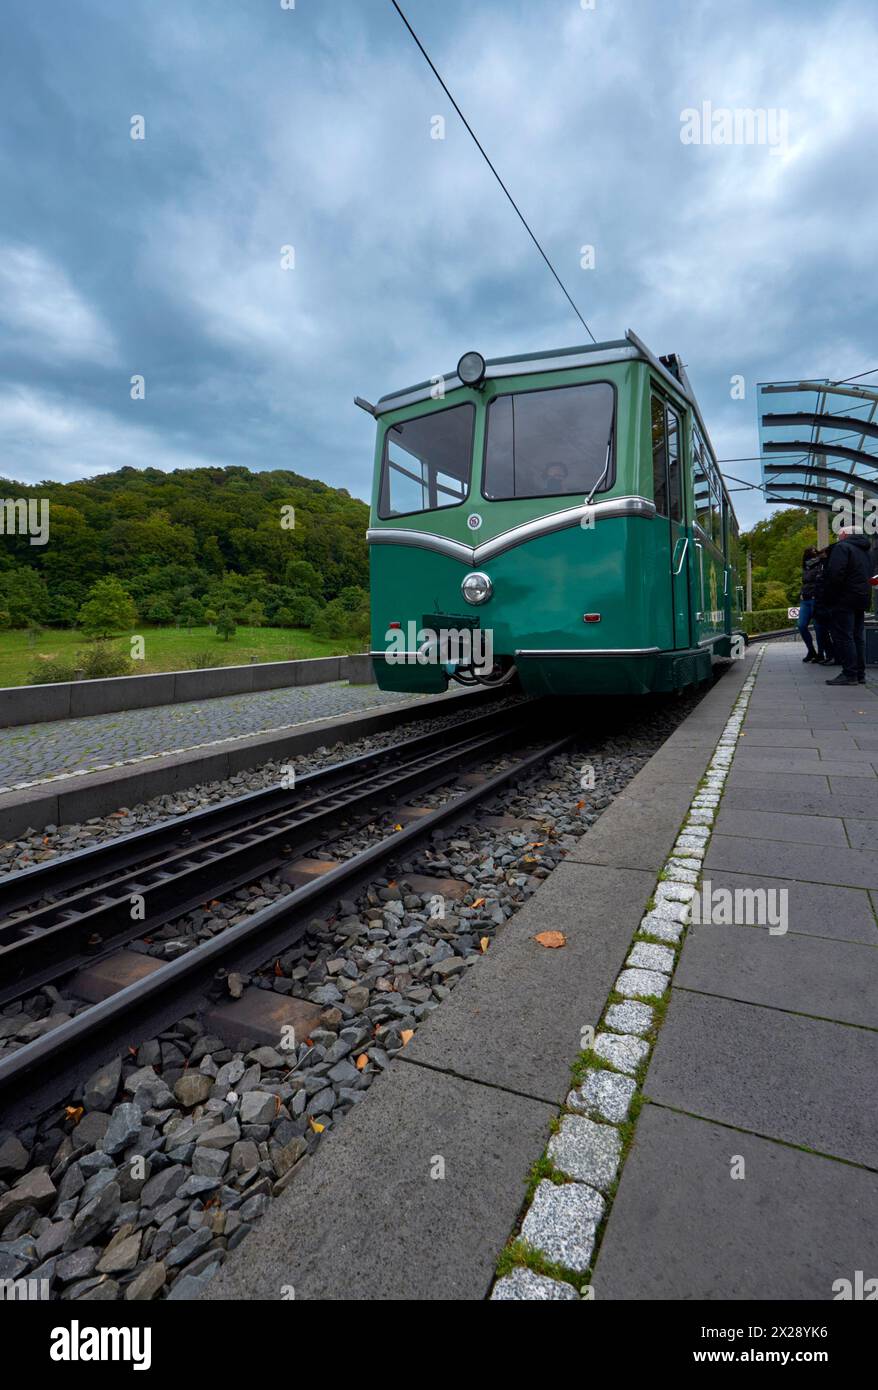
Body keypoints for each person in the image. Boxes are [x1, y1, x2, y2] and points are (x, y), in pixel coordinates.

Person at [823, 528, 872, 685]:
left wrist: (829, 597)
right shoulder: (865, 550)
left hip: (844, 599)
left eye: (839, 534)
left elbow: (835, 573)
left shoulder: (842, 547)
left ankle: (849, 673)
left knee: (844, 636)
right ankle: (860, 674)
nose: (838, 537)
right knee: (858, 637)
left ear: (844, 535)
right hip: (862, 597)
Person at [811, 546, 836, 665]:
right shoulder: (821, 566)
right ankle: (830, 655)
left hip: (825, 604)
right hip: (821, 603)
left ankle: (833, 656)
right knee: (823, 632)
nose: (819, 555)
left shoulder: (827, 567)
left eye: (821, 553)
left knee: (827, 632)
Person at [797, 546, 820, 662]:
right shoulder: (806, 567)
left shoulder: (820, 565)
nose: (814, 554)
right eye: (812, 553)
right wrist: (801, 593)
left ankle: (821, 654)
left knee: (819, 627)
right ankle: (811, 651)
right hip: (805, 599)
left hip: (816, 599)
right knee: (801, 625)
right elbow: (805, 582)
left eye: (815, 552)